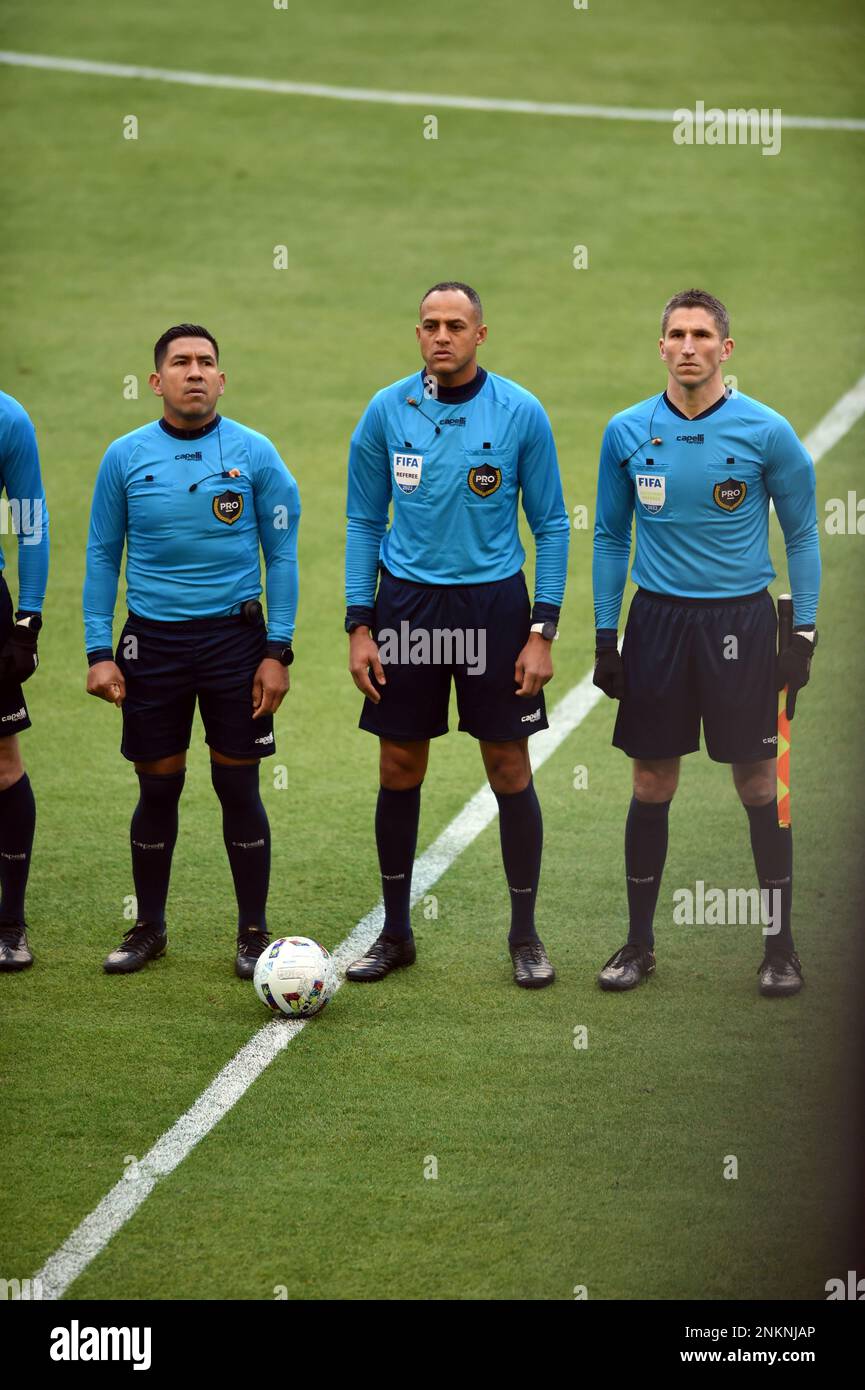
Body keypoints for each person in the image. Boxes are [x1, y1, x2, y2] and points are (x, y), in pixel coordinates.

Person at [592, 288, 820, 997]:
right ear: (659, 346)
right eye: (675, 334)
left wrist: (802, 633)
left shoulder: (766, 432)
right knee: (650, 780)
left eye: (700, 335)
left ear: (726, 349)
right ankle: (637, 944)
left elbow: (803, 534)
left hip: (739, 626)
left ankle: (779, 948)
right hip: (657, 623)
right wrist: (606, 634)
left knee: (757, 783)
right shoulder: (626, 431)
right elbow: (608, 535)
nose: (687, 346)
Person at [344, 282, 570, 988]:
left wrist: (542, 629)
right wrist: (359, 622)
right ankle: (395, 932)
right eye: (430, 325)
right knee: (398, 768)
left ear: (480, 335)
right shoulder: (387, 411)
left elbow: (553, 524)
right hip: (407, 608)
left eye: (456, 325)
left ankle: (525, 936)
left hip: (494, 611)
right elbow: (361, 521)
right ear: (418, 334)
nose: (441, 336)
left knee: (507, 767)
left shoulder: (519, 412)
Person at [83, 325, 300, 977]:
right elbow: (101, 554)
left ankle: (253, 933)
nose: (195, 372)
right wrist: (99, 648)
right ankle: (149, 926)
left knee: (238, 784)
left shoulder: (255, 454)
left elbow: (282, 554)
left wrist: (277, 651)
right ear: (157, 382)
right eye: (180, 363)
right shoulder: (124, 457)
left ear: (222, 379)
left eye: (207, 362)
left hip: (236, 642)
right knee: (158, 787)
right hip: (152, 644)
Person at [0, 391, 49, 970]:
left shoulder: (9, 417)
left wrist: (26, 621)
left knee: (3, 765)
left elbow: (31, 520)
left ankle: (9, 923)